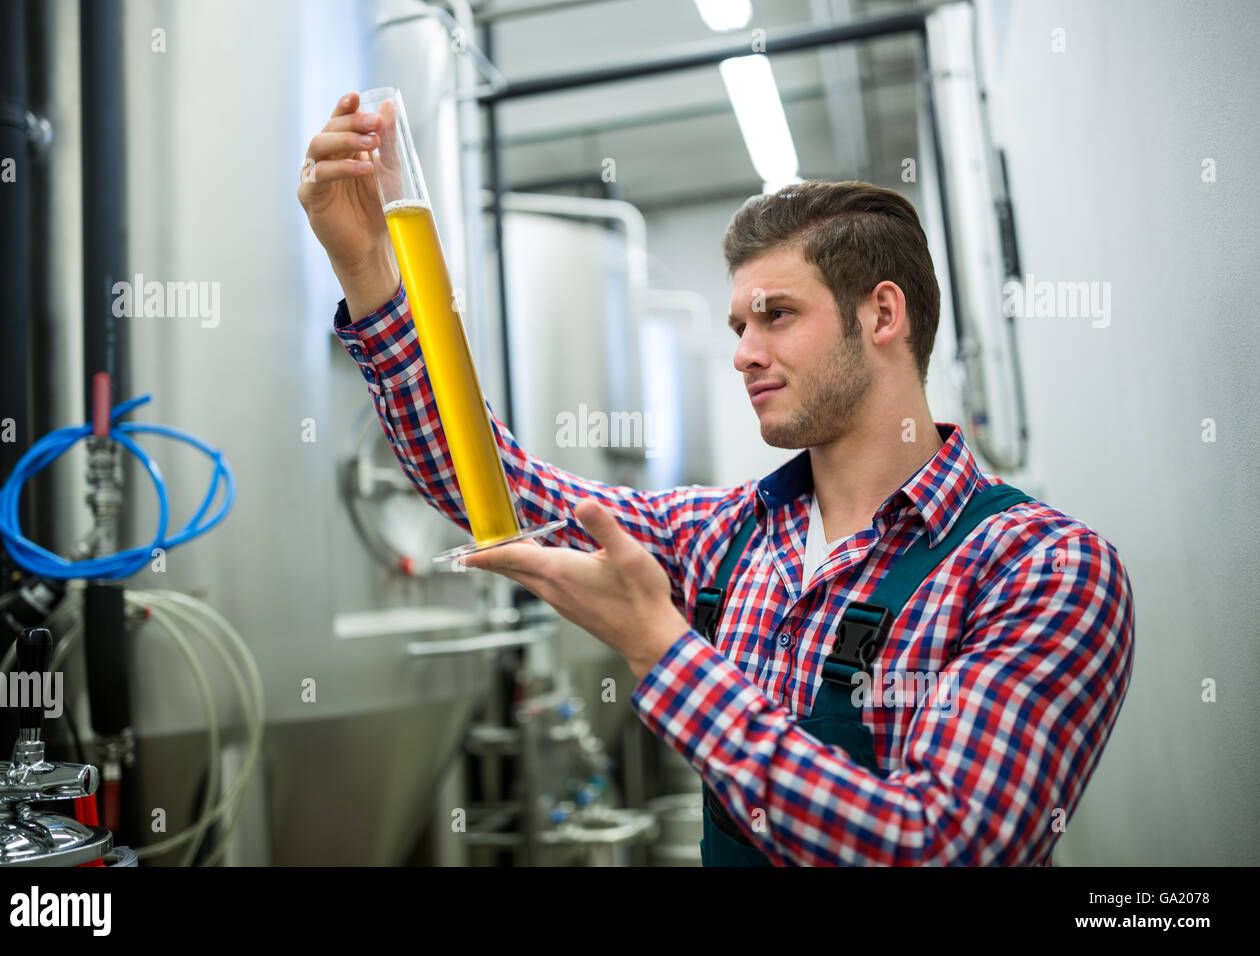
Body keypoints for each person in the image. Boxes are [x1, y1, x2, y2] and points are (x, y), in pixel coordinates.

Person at [299, 92, 1135, 866]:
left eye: (776, 315)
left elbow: (937, 846)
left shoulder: (1043, 568)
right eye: (738, 324)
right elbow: (483, 481)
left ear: (883, 314)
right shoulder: (725, 536)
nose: (743, 352)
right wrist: (369, 271)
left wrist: (660, 650)